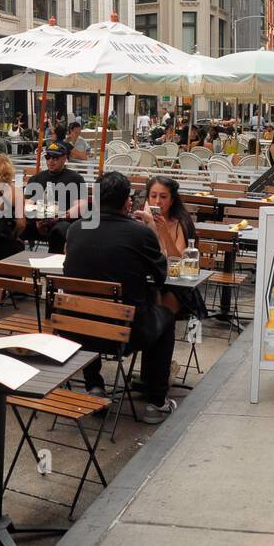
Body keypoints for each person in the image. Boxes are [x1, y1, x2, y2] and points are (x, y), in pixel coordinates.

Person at [64, 172, 177, 422]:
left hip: (76, 331)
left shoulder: (75, 229)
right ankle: (156, 401)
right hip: (126, 331)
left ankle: (94, 384)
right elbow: (161, 277)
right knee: (167, 317)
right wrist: (152, 230)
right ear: (127, 201)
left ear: (95, 198)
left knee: (88, 308)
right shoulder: (139, 233)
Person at [132, 175, 207, 319]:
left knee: (158, 312)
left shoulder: (181, 223)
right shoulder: (140, 221)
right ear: (147, 199)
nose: (157, 201)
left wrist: (164, 232)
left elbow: (177, 261)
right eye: (153, 196)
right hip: (151, 280)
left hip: (176, 286)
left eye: (163, 197)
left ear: (172, 200)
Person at [25, 141, 87, 253]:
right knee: (15, 224)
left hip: (63, 221)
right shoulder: (36, 178)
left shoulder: (76, 179)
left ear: (64, 158)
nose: (50, 161)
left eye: (55, 158)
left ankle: (52, 265)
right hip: (39, 219)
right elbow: (28, 203)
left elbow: (81, 205)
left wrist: (60, 217)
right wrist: (37, 218)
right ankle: (11, 263)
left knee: (60, 230)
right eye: (48, 157)